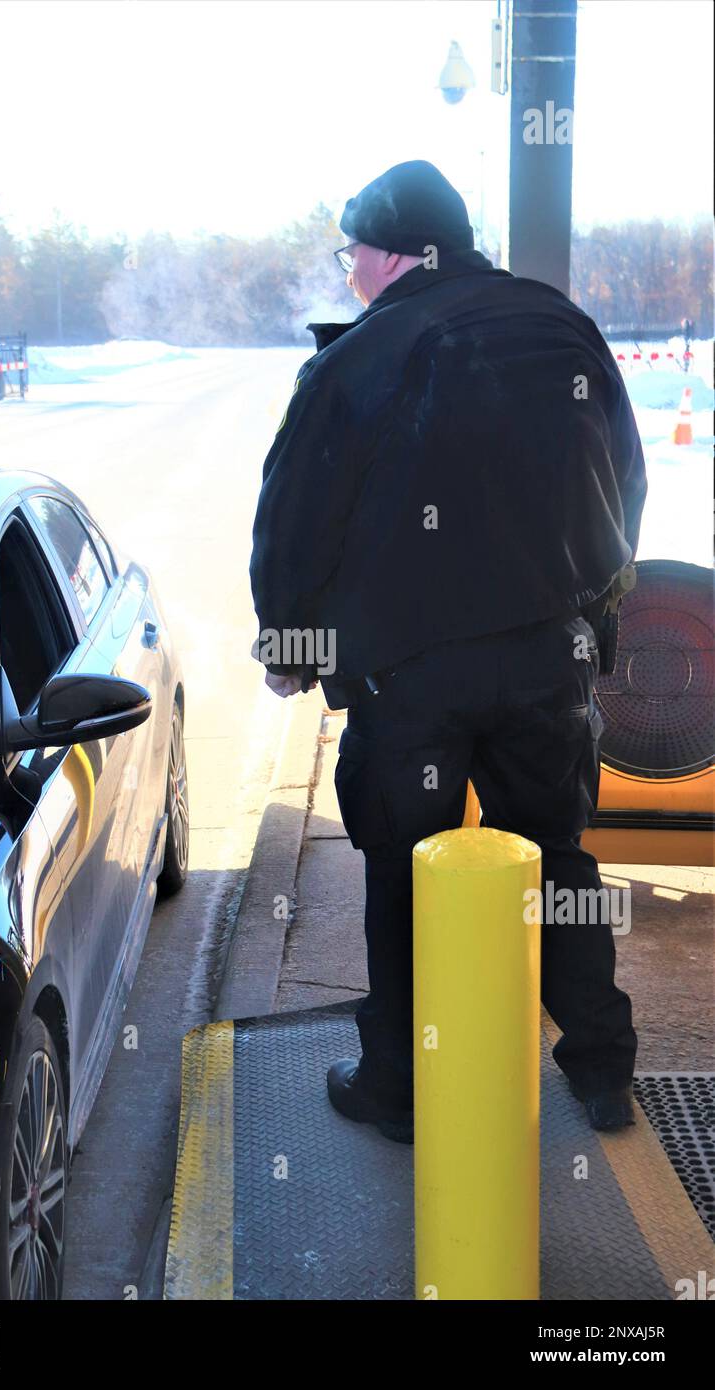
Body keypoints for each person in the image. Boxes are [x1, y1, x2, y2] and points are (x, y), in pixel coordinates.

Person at [249, 160, 647, 1141]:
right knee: (557, 862)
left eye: (352, 256)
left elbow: (297, 519)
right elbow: (621, 480)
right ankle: (600, 1070)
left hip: (412, 674)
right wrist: (595, 610)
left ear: (389, 257)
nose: (348, 276)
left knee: (402, 867)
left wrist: (286, 641)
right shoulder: (558, 325)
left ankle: (397, 1084)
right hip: (546, 660)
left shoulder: (359, 359)